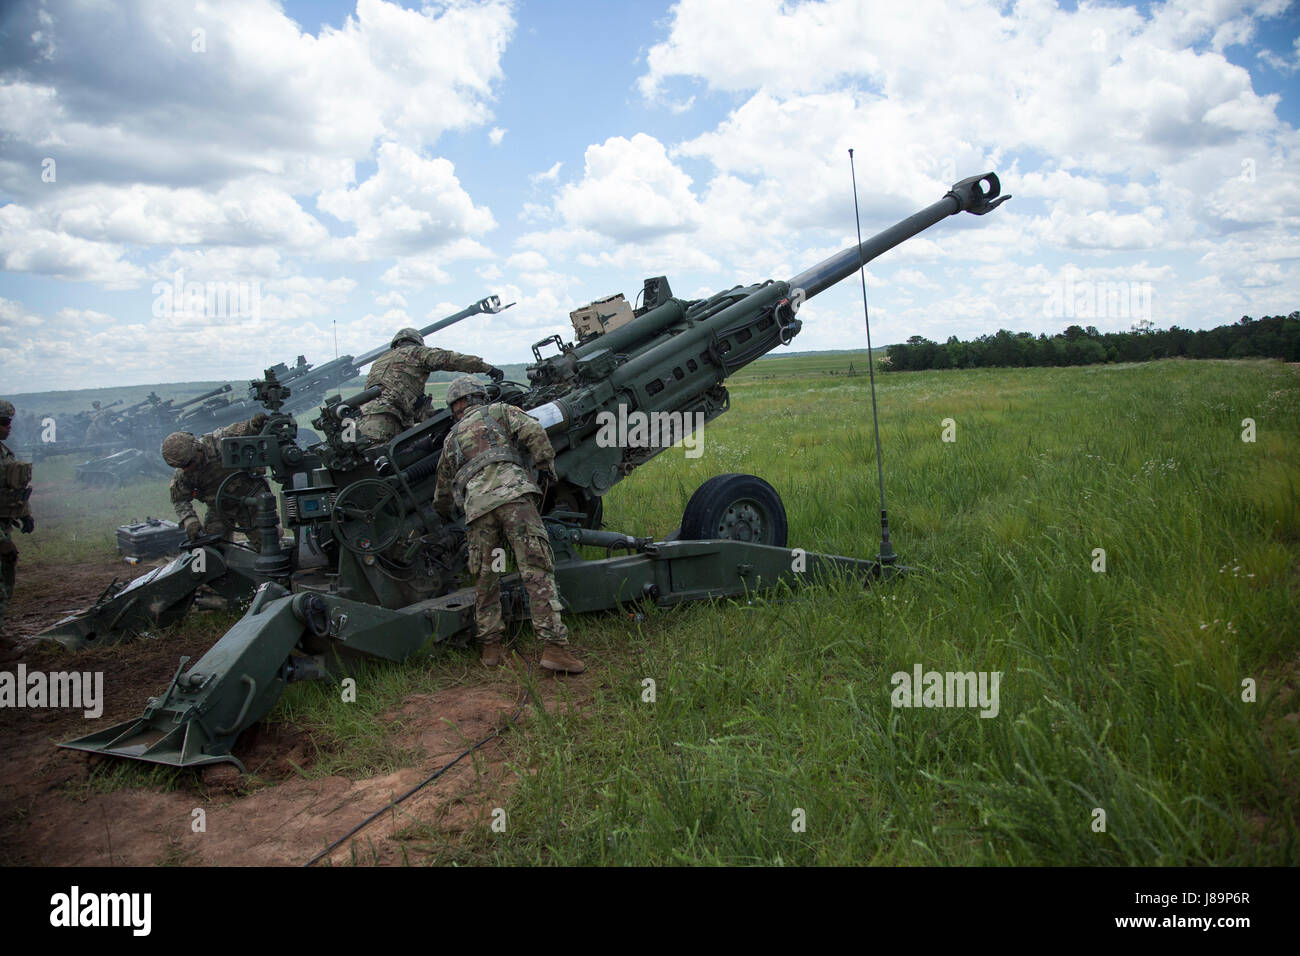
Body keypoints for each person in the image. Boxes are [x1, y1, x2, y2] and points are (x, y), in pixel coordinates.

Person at [433, 376, 584, 674]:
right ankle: (554, 648)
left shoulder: (451, 438)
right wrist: (545, 469)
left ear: (456, 406)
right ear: (479, 397)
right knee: (535, 570)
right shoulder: (501, 411)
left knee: (486, 578)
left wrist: (445, 511)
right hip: (514, 498)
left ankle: (491, 648)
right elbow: (534, 431)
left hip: (478, 511)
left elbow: (441, 491)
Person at [356, 326, 503, 447]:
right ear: (417, 343)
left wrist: (433, 415)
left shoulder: (380, 362)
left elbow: (411, 403)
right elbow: (449, 359)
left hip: (362, 423)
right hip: (387, 421)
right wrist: (487, 368)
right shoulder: (413, 353)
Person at [161, 413, 277, 550]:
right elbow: (180, 500)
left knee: (269, 546)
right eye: (182, 467)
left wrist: (255, 424)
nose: (186, 469)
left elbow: (245, 430)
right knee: (212, 549)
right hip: (219, 508)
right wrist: (189, 520)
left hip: (251, 501)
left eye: (188, 464)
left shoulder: (220, 441)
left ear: (198, 449)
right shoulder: (183, 474)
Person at [0, 400, 34, 630]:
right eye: (3, 422)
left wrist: (25, 514)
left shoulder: (3, 452)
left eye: (9, 422)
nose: (8, 426)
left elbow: (12, 489)